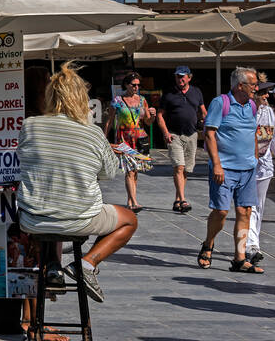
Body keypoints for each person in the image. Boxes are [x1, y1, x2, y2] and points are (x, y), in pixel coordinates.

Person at [16, 62, 137, 303]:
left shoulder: (29, 126)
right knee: (129, 220)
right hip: (79, 219)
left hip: (32, 220)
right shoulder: (92, 132)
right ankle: (87, 264)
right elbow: (109, 173)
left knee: (55, 207)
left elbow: (26, 159)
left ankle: (53, 266)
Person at [199, 67, 263, 274]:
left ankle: (239, 258)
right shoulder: (221, 103)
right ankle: (208, 244)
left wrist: (254, 157)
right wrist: (216, 164)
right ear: (239, 85)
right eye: (253, 84)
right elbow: (209, 134)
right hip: (224, 168)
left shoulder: (252, 105)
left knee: (245, 212)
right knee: (221, 211)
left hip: (248, 169)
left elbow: (252, 132)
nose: (256, 87)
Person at [244, 82, 275, 265]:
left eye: (267, 93)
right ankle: (250, 245)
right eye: (263, 93)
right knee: (249, 206)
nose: (267, 96)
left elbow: (272, 139)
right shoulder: (246, 111)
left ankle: (253, 244)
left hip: (264, 167)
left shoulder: (269, 112)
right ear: (253, 93)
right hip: (246, 166)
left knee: (259, 206)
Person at [156, 66, 205, 214]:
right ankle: (183, 200)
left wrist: (205, 122)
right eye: (178, 76)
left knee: (185, 170)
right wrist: (165, 133)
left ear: (189, 77)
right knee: (179, 167)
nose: (180, 79)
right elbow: (159, 115)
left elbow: (203, 112)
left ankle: (177, 200)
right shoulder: (169, 94)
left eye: (183, 76)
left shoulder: (196, 92)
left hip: (191, 134)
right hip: (174, 134)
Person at [105, 72, 151, 212]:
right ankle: (135, 201)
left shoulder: (142, 100)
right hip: (124, 139)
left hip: (140, 139)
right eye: (133, 85)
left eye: (138, 85)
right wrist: (104, 138)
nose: (136, 87)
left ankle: (130, 200)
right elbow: (110, 120)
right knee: (130, 170)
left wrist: (152, 117)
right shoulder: (118, 100)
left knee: (135, 171)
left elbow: (148, 122)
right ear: (126, 85)